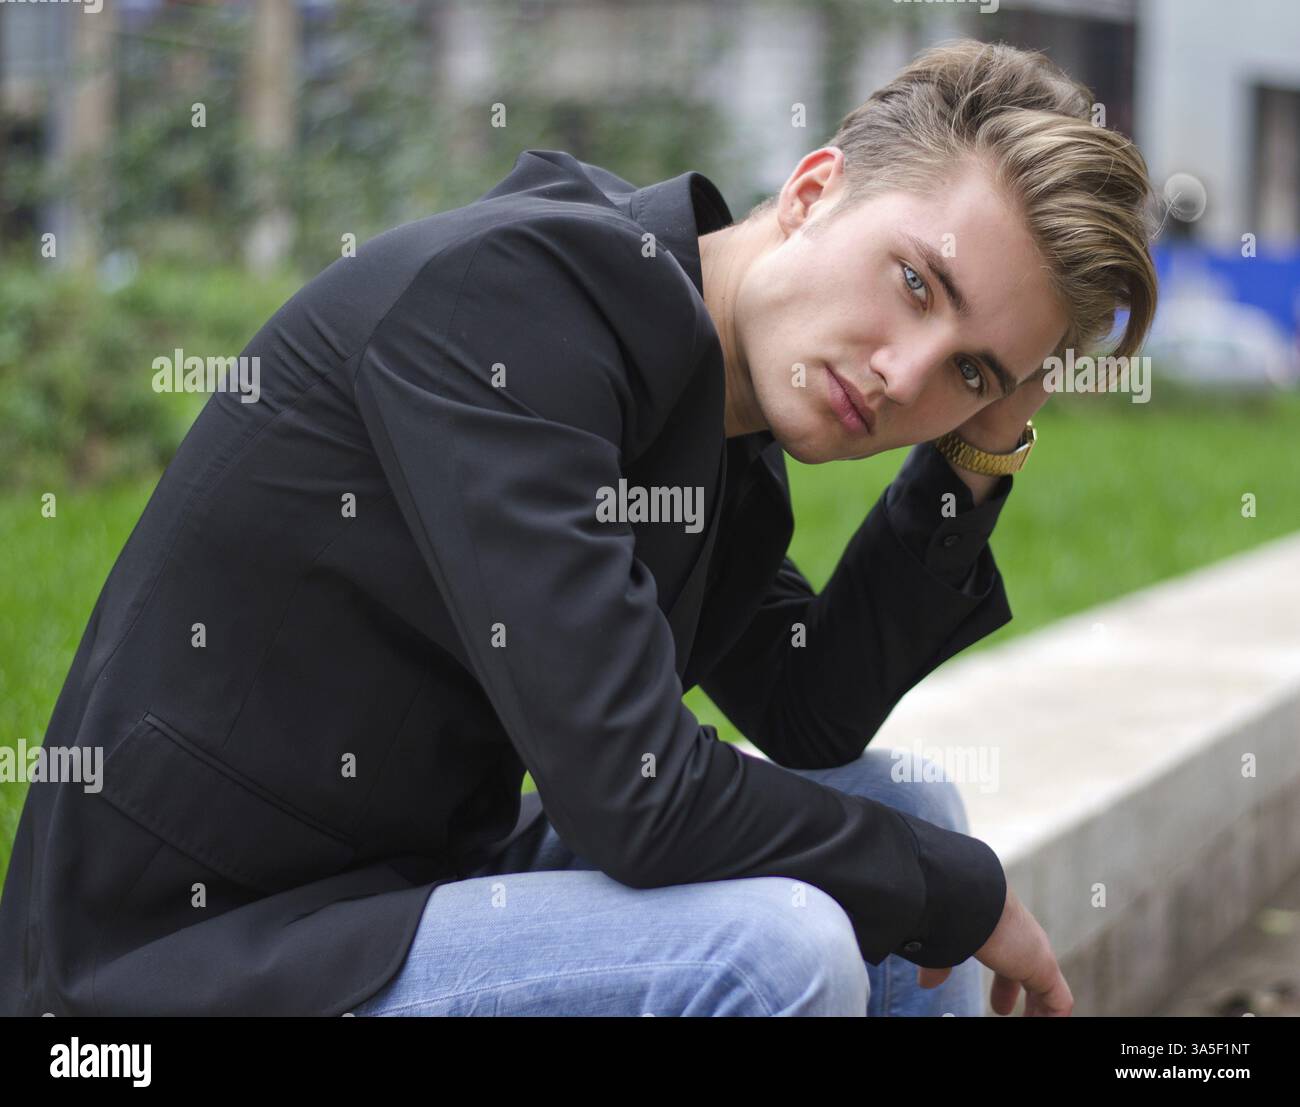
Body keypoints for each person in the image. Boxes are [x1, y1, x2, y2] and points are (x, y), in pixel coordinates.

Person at [0, 39, 1157, 1017]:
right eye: (914, 282)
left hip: (411, 879)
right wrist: (964, 894)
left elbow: (812, 708)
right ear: (812, 192)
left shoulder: (709, 417)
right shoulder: (515, 307)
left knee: (903, 807)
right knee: (778, 946)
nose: (905, 377)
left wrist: (984, 440)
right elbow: (639, 794)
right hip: (186, 962)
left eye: (967, 369)